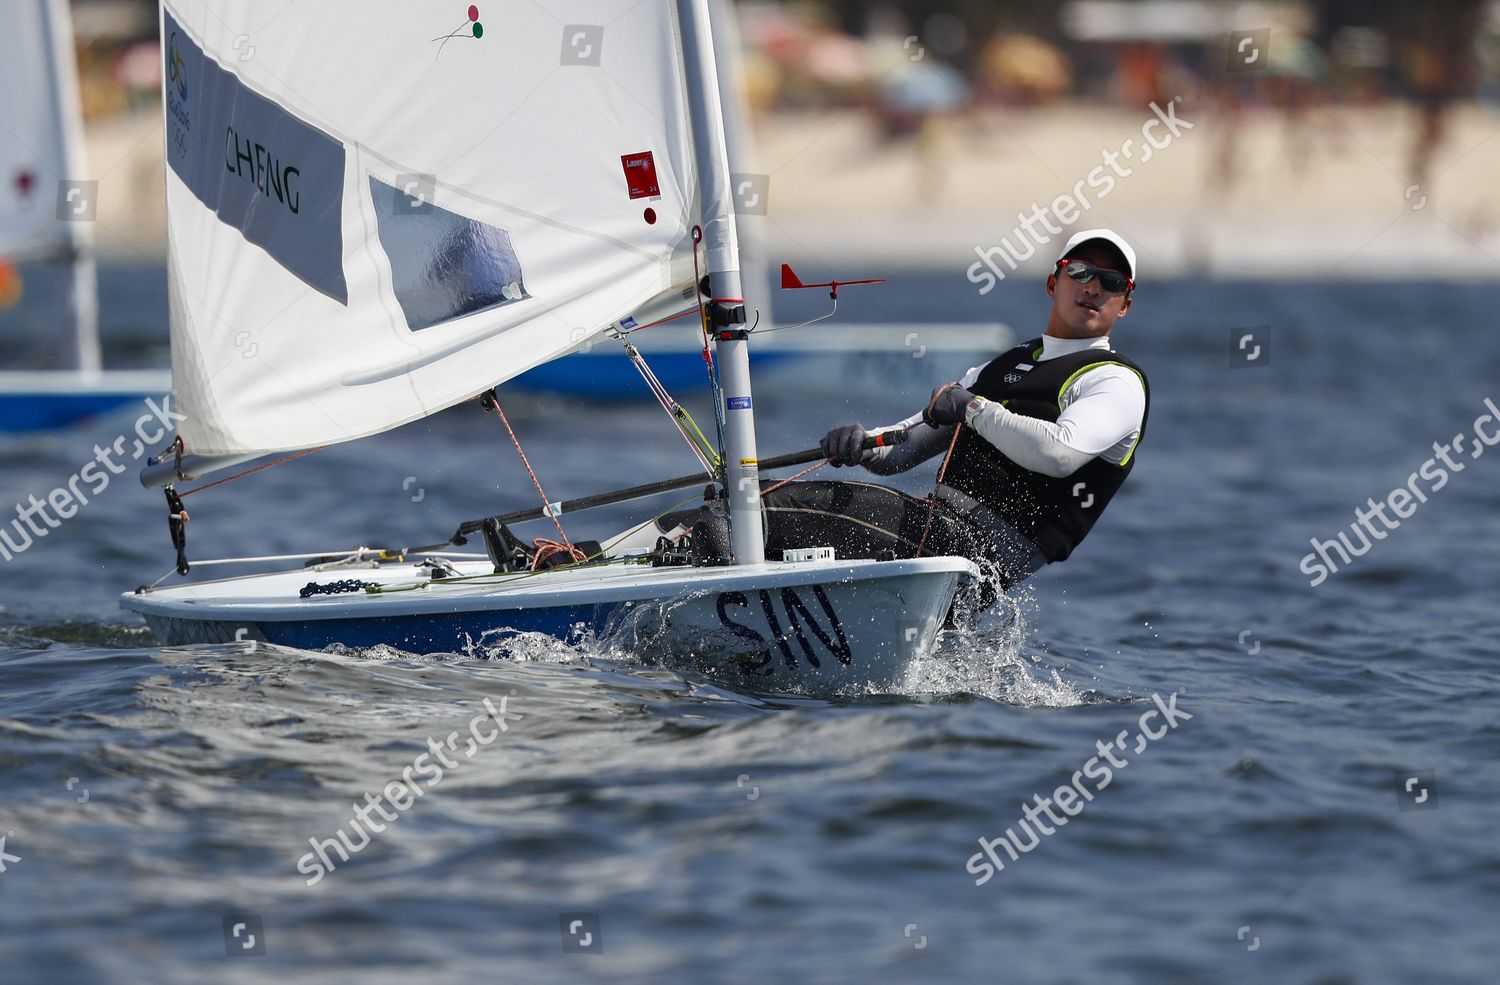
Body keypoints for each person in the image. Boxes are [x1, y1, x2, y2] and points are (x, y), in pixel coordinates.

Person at [613, 228, 1148, 598]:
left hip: (972, 555)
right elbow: (905, 446)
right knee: (744, 497)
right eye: (1080, 271)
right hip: (933, 536)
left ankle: (649, 583)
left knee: (772, 508)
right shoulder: (997, 368)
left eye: (1112, 282)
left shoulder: (1114, 383)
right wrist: (862, 443)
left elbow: (1058, 454)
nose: (1094, 286)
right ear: (1055, 282)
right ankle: (586, 557)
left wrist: (974, 409)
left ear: (1124, 306)